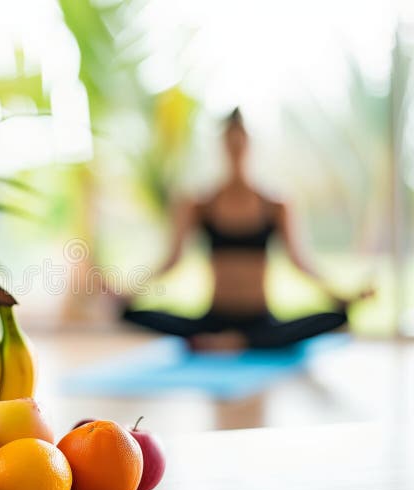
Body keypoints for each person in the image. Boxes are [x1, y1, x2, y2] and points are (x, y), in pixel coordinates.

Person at [121, 108, 371, 351]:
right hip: (213, 318)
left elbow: (300, 262)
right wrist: (127, 294)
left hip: (260, 321)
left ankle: (236, 341)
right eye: (230, 141)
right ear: (221, 145)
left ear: (251, 144)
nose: (236, 148)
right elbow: (172, 261)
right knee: (130, 314)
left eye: (241, 140)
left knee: (335, 318)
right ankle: (231, 340)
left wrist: (340, 296)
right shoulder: (200, 204)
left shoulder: (275, 205)